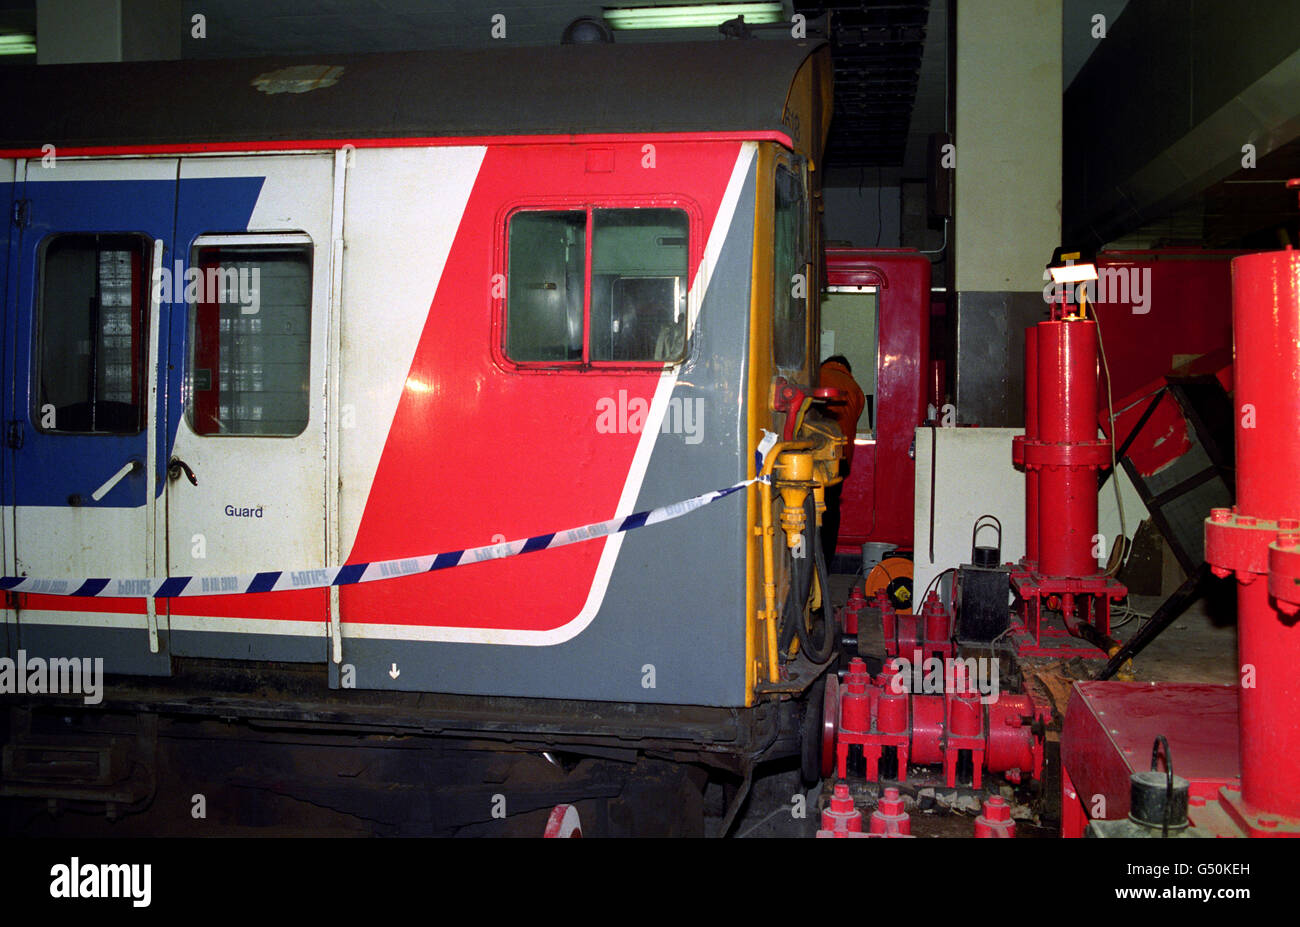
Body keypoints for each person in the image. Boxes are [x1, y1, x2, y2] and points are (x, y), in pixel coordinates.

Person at [817, 355, 865, 563]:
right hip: (840, 458)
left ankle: (804, 564)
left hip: (813, 454)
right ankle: (825, 563)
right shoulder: (855, 388)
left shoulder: (815, 376)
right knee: (830, 509)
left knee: (806, 509)